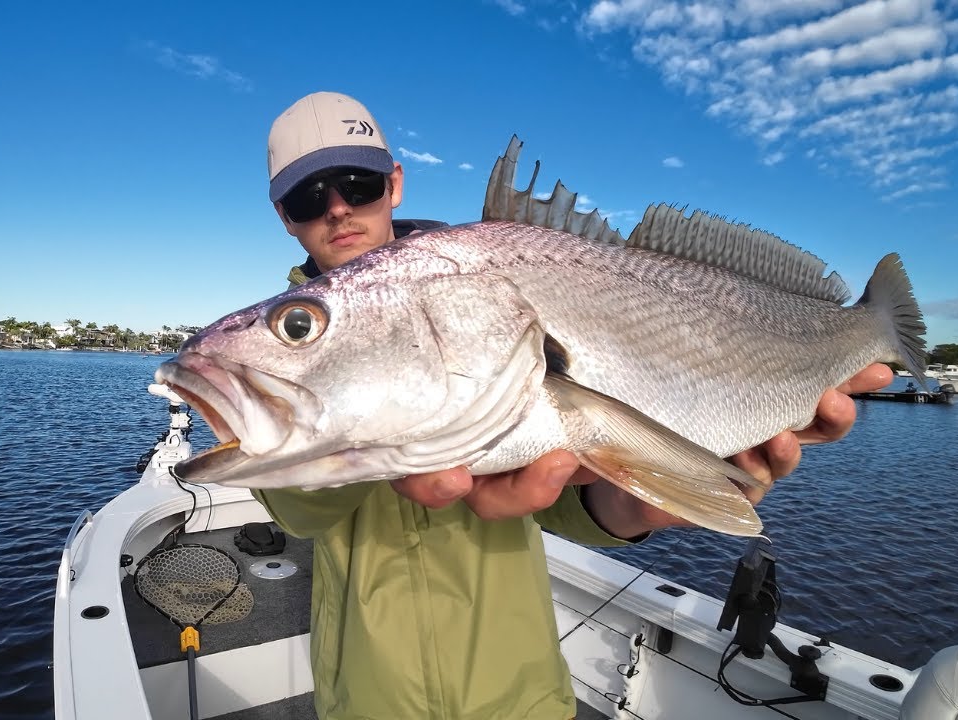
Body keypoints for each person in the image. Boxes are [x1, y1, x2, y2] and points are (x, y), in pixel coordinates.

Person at [255, 91, 891, 720]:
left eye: (356, 183)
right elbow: (292, 502)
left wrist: (640, 499)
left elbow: (565, 492)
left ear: (393, 184)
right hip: (370, 698)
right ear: (285, 216)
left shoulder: (486, 272)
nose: (337, 209)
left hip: (523, 693)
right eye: (309, 198)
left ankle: (877, 325)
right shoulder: (270, 360)